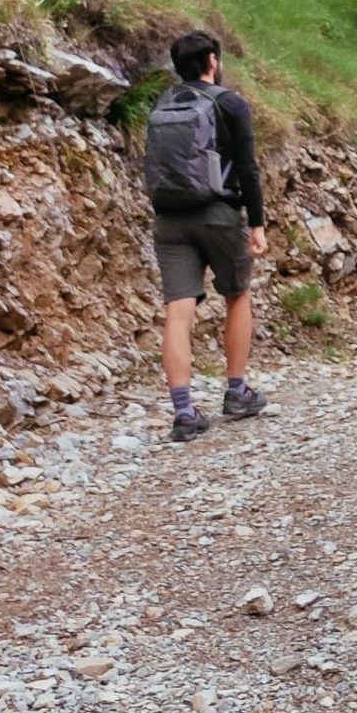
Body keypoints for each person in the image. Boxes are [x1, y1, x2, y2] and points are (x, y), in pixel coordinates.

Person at [144, 30, 268, 441]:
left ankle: (184, 412)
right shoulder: (229, 103)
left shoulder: (164, 104)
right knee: (237, 293)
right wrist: (257, 222)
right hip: (218, 213)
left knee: (178, 311)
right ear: (212, 61)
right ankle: (236, 391)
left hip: (169, 217)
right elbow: (248, 167)